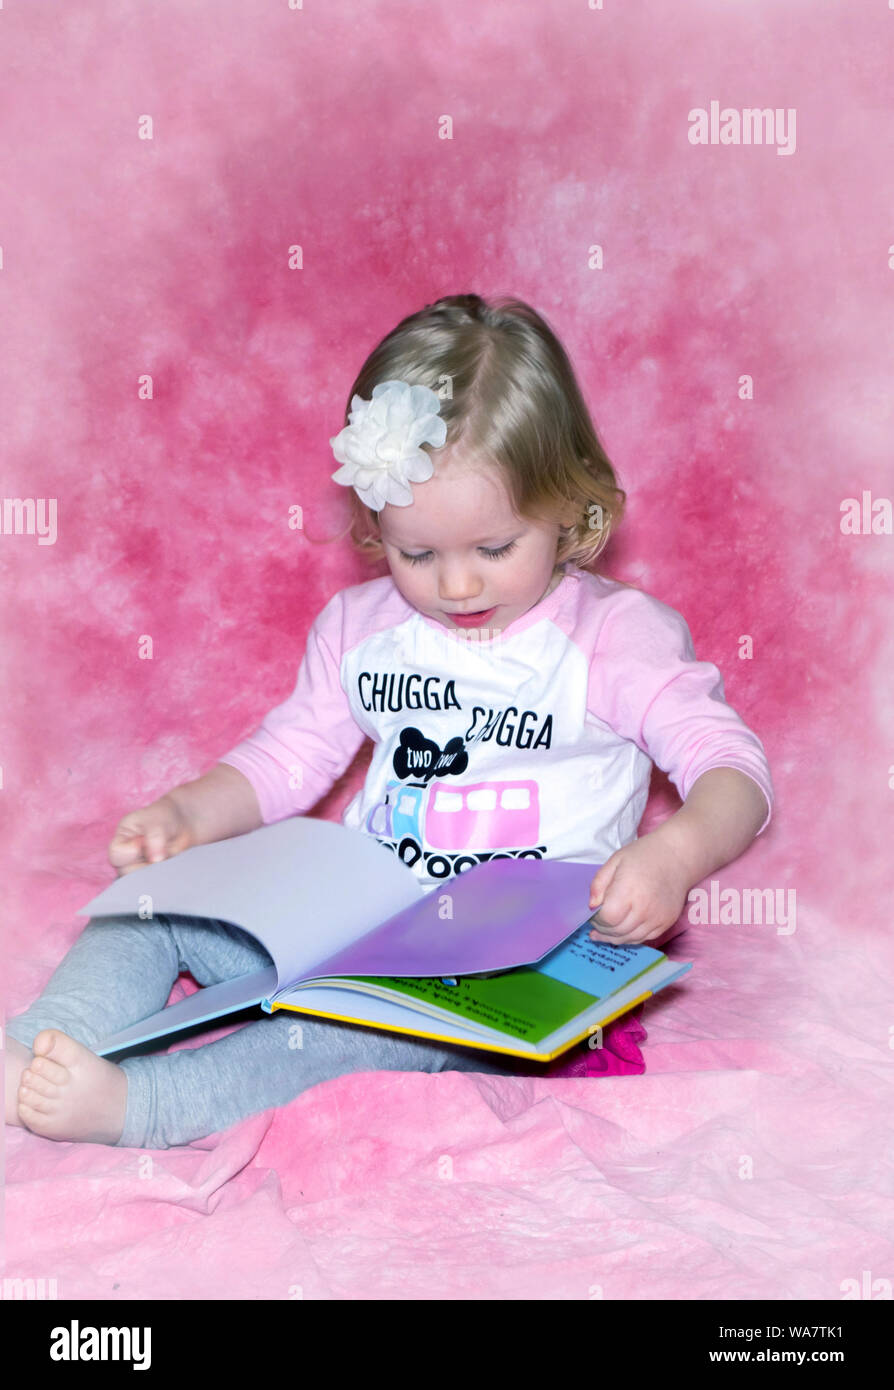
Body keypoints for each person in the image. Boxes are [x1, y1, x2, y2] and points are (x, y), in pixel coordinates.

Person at [5, 293, 773, 1149]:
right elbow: (289, 756)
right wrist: (188, 815)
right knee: (151, 907)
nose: (456, 587)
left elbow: (733, 774)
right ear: (376, 527)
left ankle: (142, 1106)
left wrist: (674, 855)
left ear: (568, 505)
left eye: (493, 549)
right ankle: (40, 1043)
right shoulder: (363, 631)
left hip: (506, 981)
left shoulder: (612, 639)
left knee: (341, 1037)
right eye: (418, 555)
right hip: (356, 930)